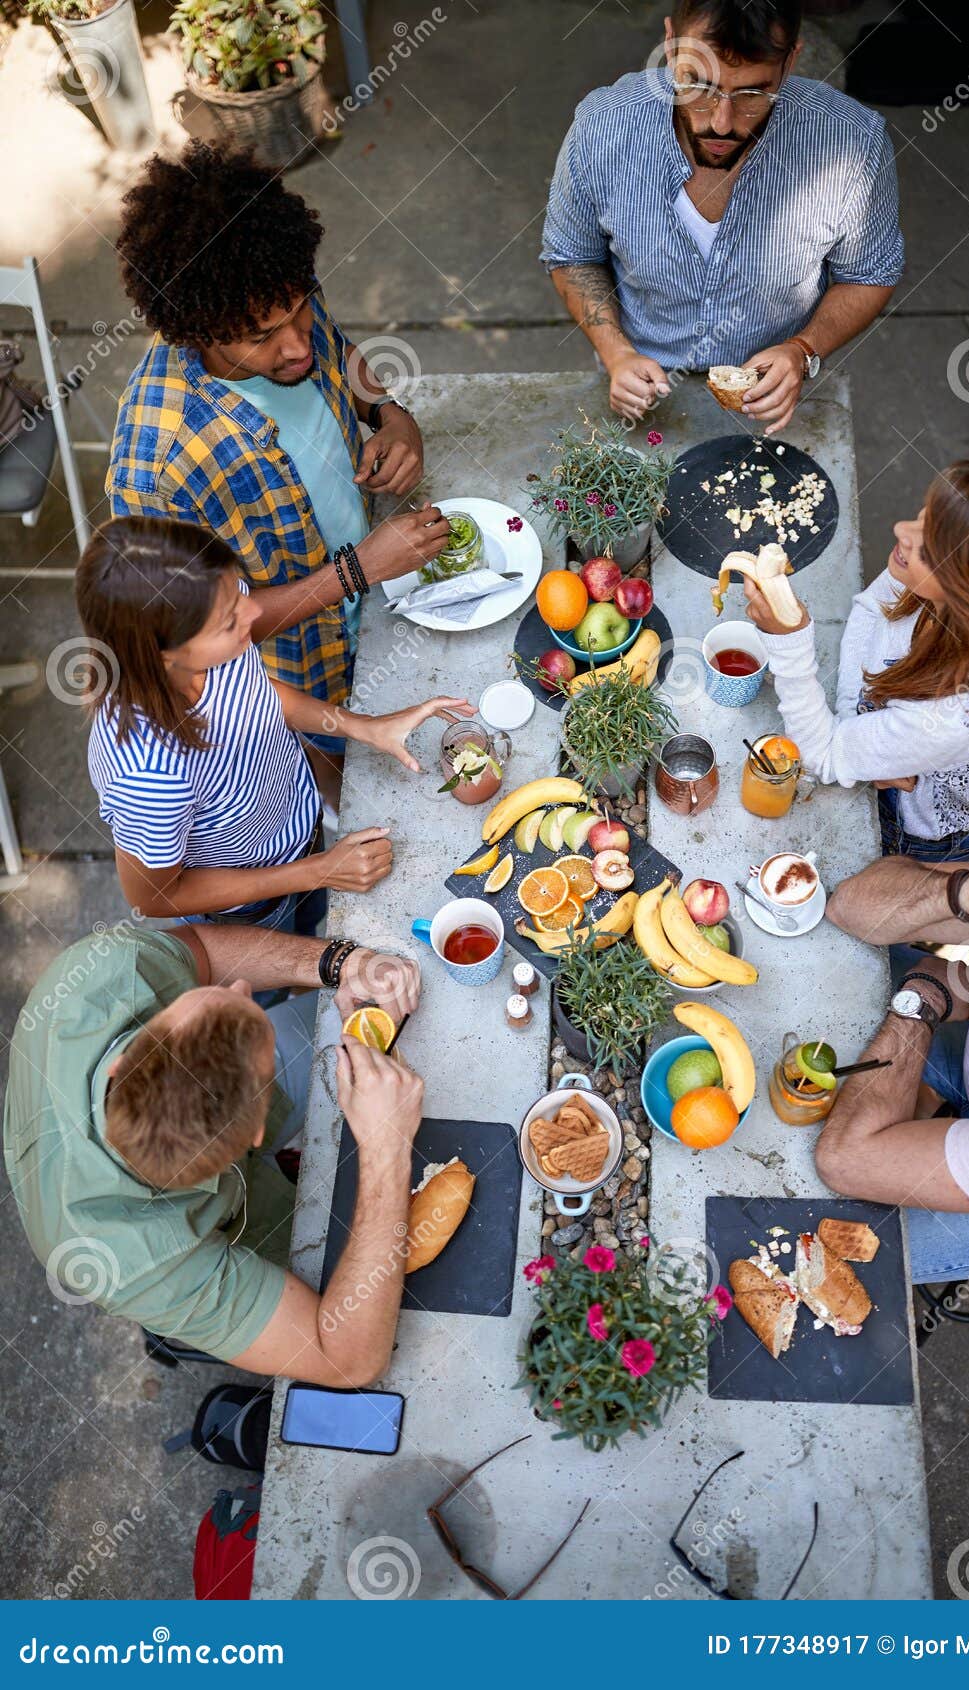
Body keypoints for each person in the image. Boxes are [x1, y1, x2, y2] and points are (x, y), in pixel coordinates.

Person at [107, 140, 450, 801]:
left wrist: (390, 416)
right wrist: (356, 571)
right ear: (194, 330)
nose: (295, 344)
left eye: (298, 310)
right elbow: (189, 648)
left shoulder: (271, 292)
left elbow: (340, 356)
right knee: (359, 792)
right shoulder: (156, 468)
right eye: (263, 336)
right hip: (303, 671)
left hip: (389, 590)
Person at [4, 918, 425, 1379]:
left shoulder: (104, 967)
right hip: (192, 1238)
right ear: (254, 1135)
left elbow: (200, 948)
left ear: (124, 1063)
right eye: (241, 1000)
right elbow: (348, 1359)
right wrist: (386, 1148)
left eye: (219, 998)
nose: (243, 986)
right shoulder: (133, 1266)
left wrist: (337, 963)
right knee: (387, 1291)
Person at [78, 517, 474, 926]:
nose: (254, 612)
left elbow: (254, 693)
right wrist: (317, 872)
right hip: (252, 909)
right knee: (267, 981)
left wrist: (362, 726)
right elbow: (155, 896)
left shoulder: (210, 614)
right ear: (165, 655)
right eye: (230, 621)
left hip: (301, 832)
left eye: (239, 592)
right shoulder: (146, 774)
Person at [541, 0, 903, 428]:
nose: (722, 122)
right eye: (698, 84)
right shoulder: (602, 126)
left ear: (790, 62)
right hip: (642, 398)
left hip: (775, 402)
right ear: (672, 46)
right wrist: (616, 351)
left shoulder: (854, 143)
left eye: (752, 93)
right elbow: (573, 256)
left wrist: (803, 351)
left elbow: (869, 275)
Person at [742, 461, 969, 861]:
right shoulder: (942, 596)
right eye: (922, 518)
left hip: (915, 827)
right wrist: (857, 729)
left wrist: (789, 642)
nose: (901, 530)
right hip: (919, 748)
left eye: (928, 550)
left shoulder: (954, 720)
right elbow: (869, 610)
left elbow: (819, 755)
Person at [816, 836, 969, 1286]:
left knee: (816, 1242)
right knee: (820, 951)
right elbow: (847, 907)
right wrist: (967, 895)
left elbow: (844, 1160)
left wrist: (923, 999)